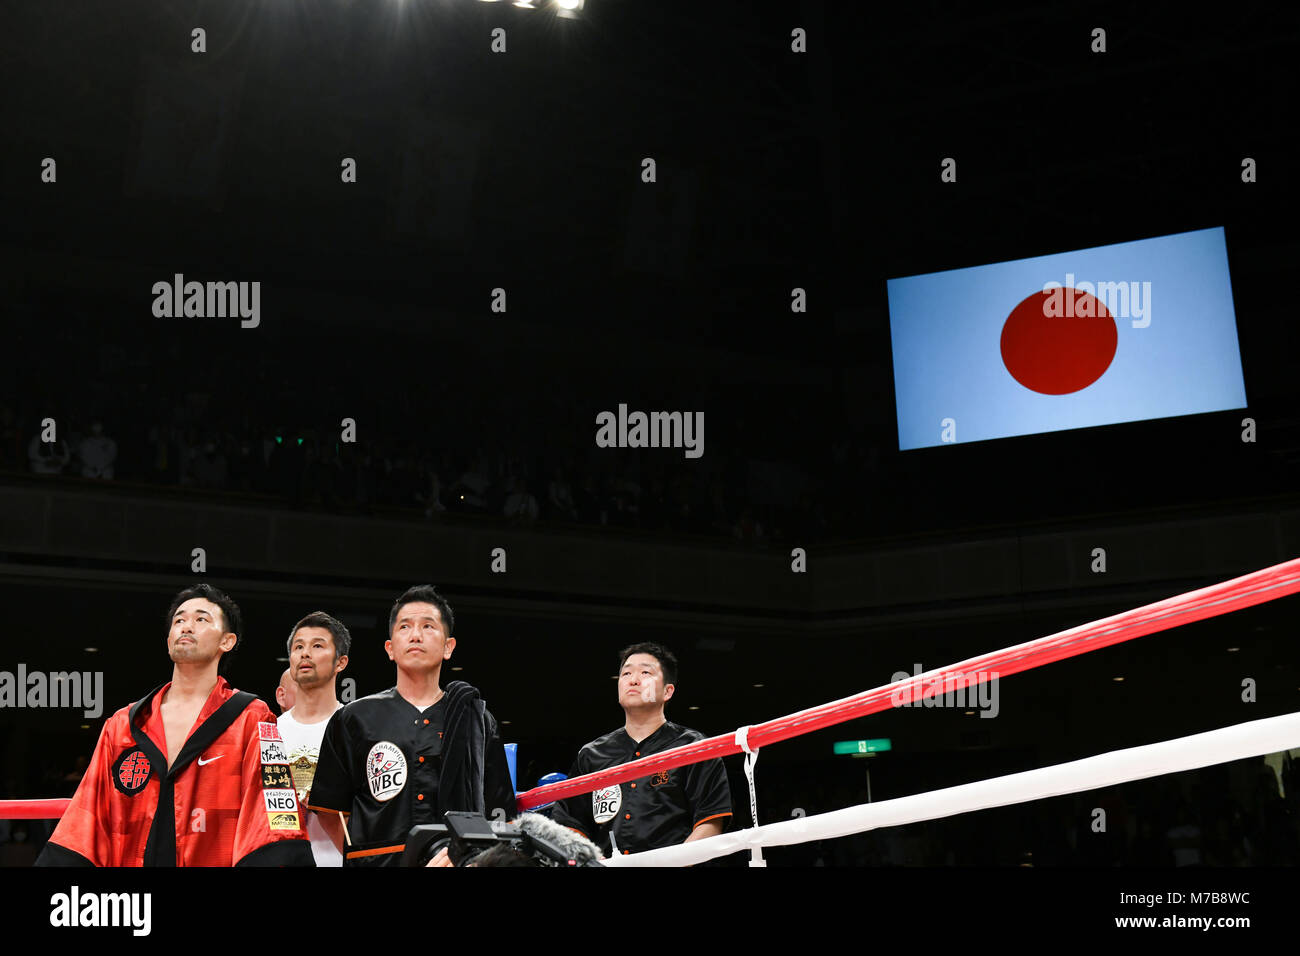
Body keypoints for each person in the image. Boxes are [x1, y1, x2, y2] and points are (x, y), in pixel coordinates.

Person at [36, 583, 313, 866]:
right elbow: (86, 818)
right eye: (179, 620)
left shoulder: (253, 718)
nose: (186, 626)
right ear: (169, 639)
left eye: (201, 619)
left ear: (226, 641)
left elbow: (275, 811)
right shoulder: (122, 726)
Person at [307, 585, 515, 866]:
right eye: (405, 627)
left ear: (448, 647)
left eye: (428, 626)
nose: (416, 635)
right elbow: (331, 812)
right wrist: (369, 858)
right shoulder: (354, 718)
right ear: (390, 648)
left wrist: (464, 858)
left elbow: (499, 813)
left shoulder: (475, 718)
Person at [553, 642, 731, 857]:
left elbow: (711, 821)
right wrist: (592, 861)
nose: (633, 680)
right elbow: (571, 821)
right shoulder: (592, 754)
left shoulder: (693, 748)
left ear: (668, 691)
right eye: (626, 673)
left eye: (645, 672)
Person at [278, 612, 350, 867]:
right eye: (299, 647)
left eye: (317, 645)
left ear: (340, 662)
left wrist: (324, 801)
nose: (305, 653)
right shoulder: (268, 731)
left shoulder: (356, 729)